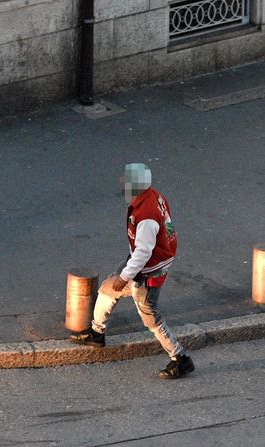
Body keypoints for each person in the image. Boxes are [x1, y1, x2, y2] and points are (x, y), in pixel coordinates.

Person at [70, 163, 195, 380]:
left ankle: (181, 359)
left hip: (148, 271)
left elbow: (144, 252)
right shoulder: (153, 196)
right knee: (108, 290)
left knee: (150, 317)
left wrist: (125, 276)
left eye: (125, 180)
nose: (120, 182)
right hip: (142, 263)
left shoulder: (146, 216)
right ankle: (96, 333)